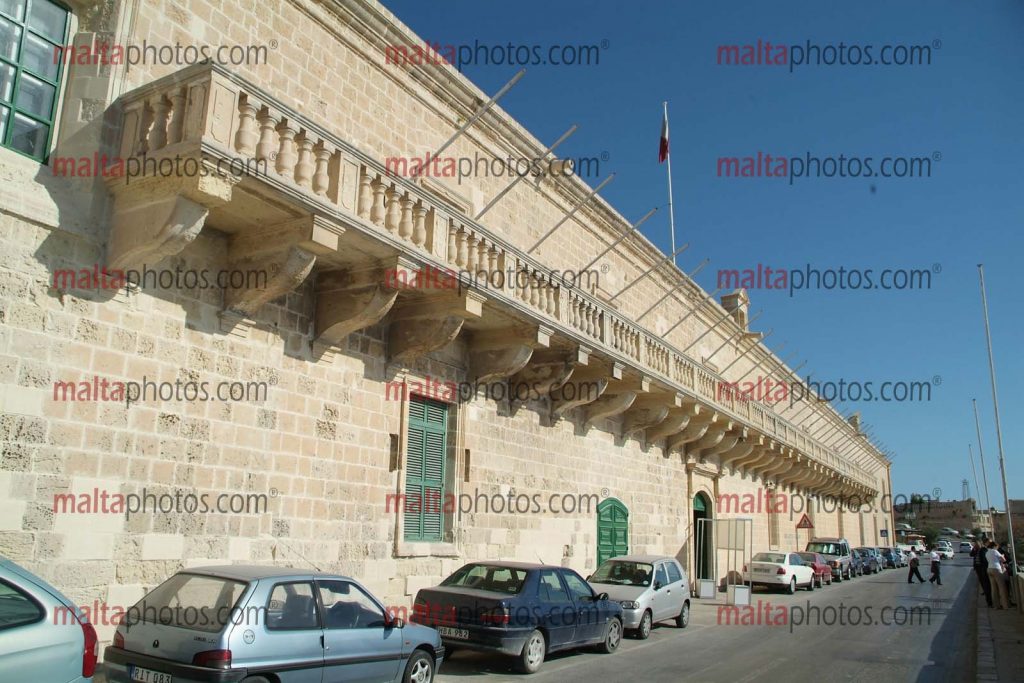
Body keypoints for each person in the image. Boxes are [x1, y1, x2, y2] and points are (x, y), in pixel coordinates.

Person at [986, 542, 1010, 609]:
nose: (997, 548)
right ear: (994, 546)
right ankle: (1005, 605)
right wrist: (1002, 556)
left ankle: (996, 606)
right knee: (1002, 587)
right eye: (997, 547)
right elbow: (1003, 560)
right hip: (996, 569)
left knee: (994, 589)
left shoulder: (987, 552)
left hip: (989, 569)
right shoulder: (995, 551)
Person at [971, 540, 993, 607]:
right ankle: (989, 602)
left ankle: (989, 601)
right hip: (983, 569)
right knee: (987, 585)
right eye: (989, 543)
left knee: (986, 584)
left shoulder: (983, 550)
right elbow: (984, 560)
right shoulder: (983, 550)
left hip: (983, 569)